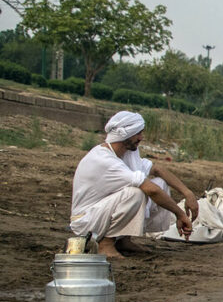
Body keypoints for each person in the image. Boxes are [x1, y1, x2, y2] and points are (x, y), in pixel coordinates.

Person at [70, 110, 197, 258]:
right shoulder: (104, 159)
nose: (141, 138)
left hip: (102, 212)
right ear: (126, 134)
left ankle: (123, 240)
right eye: (138, 133)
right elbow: (151, 190)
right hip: (86, 221)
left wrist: (188, 193)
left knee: (160, 183)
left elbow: (156, 169)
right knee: (136, 193)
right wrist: (180, 214)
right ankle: (105, 244)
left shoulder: (127, 153)